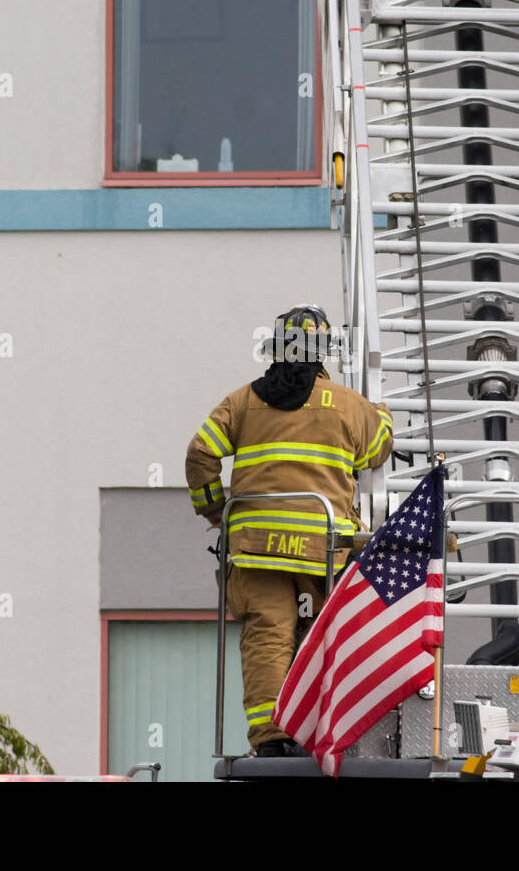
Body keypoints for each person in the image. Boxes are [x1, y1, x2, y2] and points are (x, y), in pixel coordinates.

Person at [185, 304, 393, 757]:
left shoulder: (242, 401)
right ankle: (314, 731)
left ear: (276, 349)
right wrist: (381, 414)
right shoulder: (347, 404)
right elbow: (377, 451)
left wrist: (215, 510)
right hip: (322, 551)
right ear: (323, 354)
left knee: (268, 635)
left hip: (256, 549)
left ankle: (271, 739)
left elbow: (201, 452)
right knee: (319, 635)